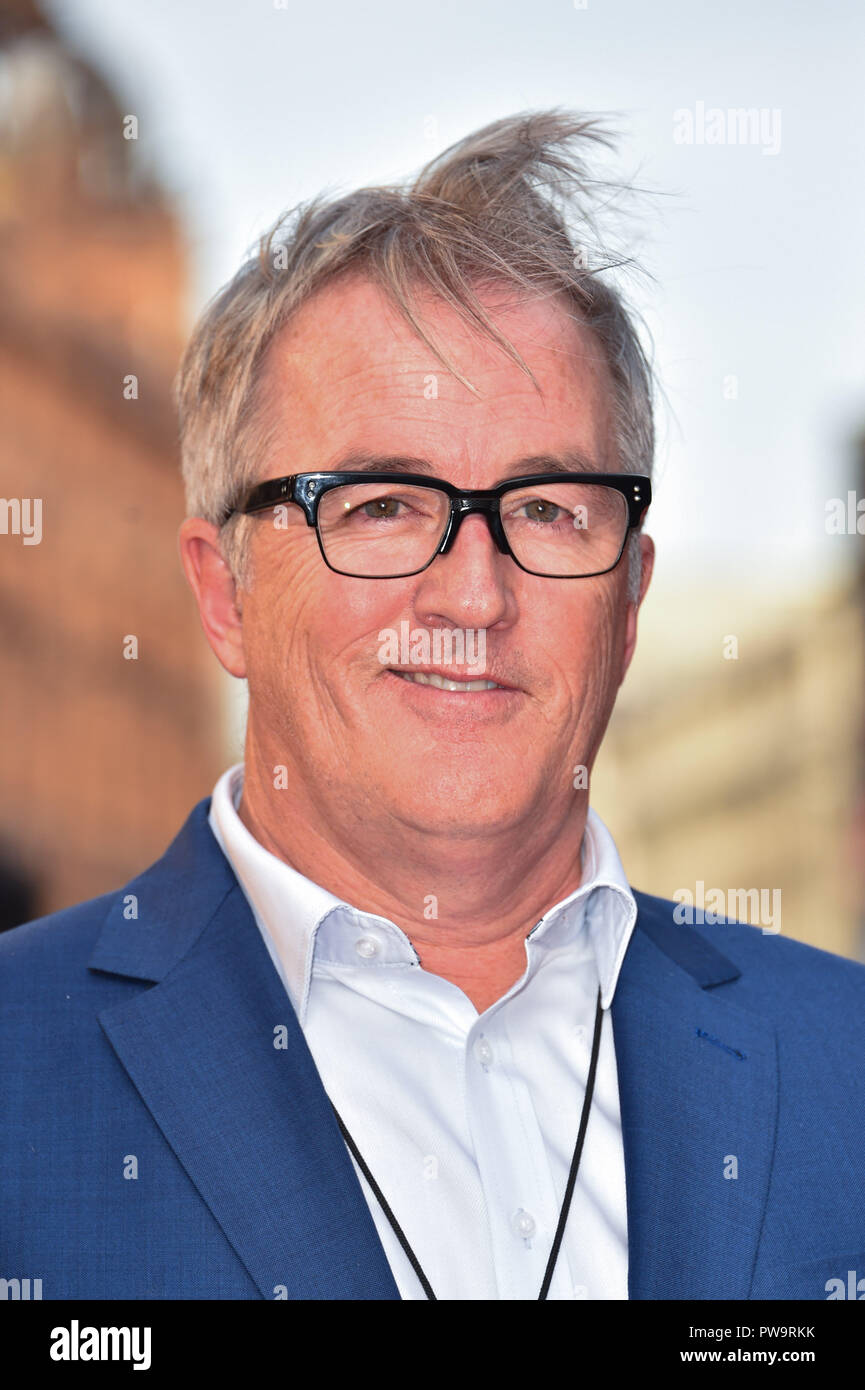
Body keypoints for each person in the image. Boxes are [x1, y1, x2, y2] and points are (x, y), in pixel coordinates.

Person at [2, 111, 864, 1302]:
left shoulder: (846, 1065)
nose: (473, 590)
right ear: (224, 594)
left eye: (551, 509)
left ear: (627, 605)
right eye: (381, 507)